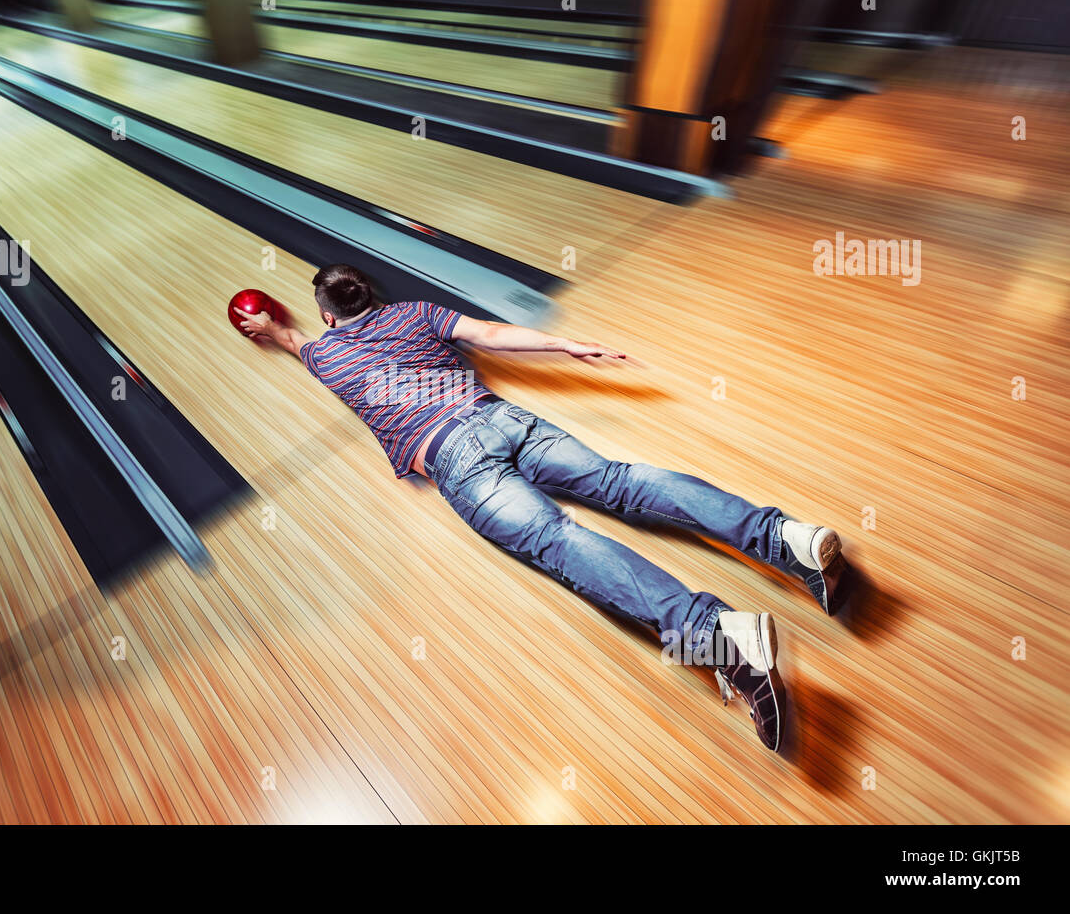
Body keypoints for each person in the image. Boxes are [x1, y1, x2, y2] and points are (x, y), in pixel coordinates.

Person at [234, 264, 846, 752]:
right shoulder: (415, 314)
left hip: (455, 460)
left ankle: (721, 637)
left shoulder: (325, 355)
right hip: (504, 418)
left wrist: (265, 325)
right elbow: (492, 336)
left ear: (327, 315)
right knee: (620, 481)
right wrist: (564, 344)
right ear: (370, 295)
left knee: (562, 542)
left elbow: (285, 337)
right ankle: (790, 538)